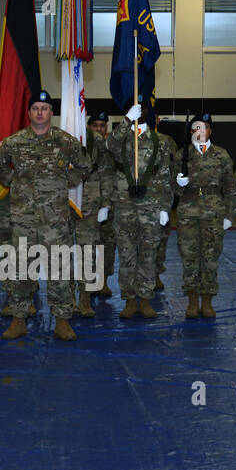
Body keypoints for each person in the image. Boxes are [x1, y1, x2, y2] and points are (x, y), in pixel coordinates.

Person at [0, 89, 90, 340]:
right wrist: (15, 182)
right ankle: (19, 318)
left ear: (51, 113)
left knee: (59, 269)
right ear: (29, 113)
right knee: (21, 269)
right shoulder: (14, 141)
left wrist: (65, 181)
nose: (40, 112)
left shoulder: (65, 141)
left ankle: (62, 320)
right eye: (35, 108)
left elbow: (85, 165)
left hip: (55, 220)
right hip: (23, 218)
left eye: (44, 109)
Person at [105, 103, 174, 319]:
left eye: (143, 109)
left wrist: (165, 207)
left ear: (148, 113)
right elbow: (109, 145)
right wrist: (126, 120)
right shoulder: (122, 137)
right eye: (136, 109)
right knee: (126, 255)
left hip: (151, 206)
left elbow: (165, 176)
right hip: (124, 205)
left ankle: (145, 298)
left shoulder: (160, 141)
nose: (141, 112)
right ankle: (128, 300)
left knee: (148, 254)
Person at [174, 113, 236, 319]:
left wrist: (230, 214)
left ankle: (208, 301)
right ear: (191, 131)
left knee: (210, 258)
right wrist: (178, 183)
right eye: (196, 128)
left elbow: (231, 186)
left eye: (204, 128)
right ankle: (193, 301)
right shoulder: (181, 156)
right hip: (188, 211)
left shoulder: (221, 155)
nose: (200, 132)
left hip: (213, 212)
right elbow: (170, 188)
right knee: (189, 258)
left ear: (210, 131)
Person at [72, 108, 113, 318]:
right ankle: (68, 297)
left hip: (90, 205)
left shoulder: (100, 145)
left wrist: (105, 204)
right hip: (66, 203)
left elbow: (106, 173)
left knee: (88, 251)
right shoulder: (67, 139)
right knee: (64, 252)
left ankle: (85, 298)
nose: (98, 129)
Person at [87, 109, 116, 298]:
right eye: (95, 125)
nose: (99, 128)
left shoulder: (111, 146)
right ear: (89, 127)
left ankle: (104, 280)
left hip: (109, 200)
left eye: (102, 125)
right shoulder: (82, 144)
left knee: (107, 242)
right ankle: (89, 282)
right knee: (88, 243)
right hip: (87, 201)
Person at [153, 123, 180, 291]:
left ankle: (155, 274)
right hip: (137, 199)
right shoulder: (130, 138)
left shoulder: (167, 141)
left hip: (161, 196)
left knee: (160, 240)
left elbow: (173, 167)